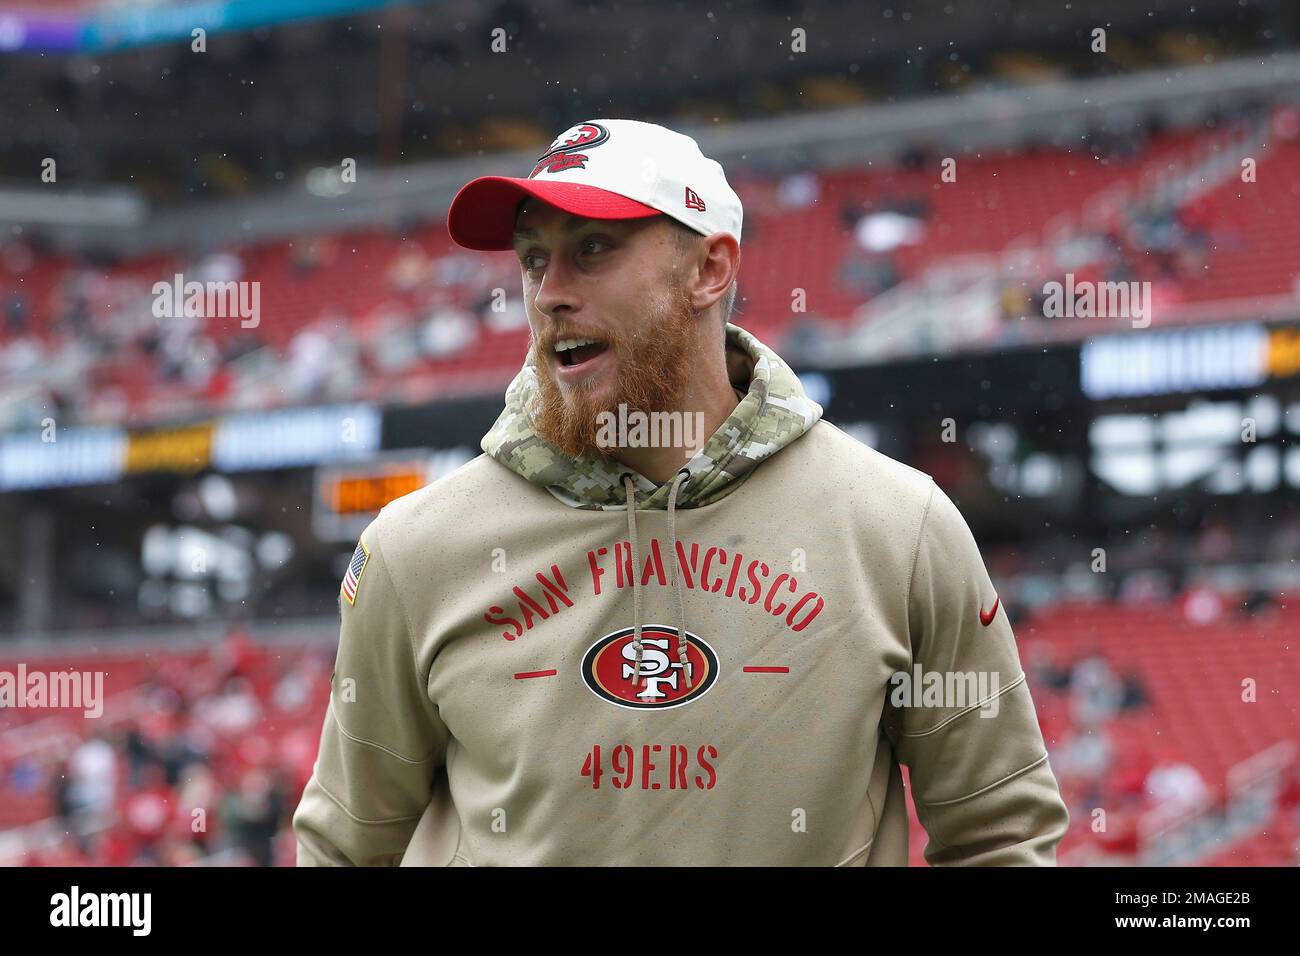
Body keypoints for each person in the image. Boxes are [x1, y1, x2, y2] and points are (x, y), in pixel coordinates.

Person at [292, 118, 1069, 866]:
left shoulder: (899, 528)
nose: (550, 293)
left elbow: (1000, 835)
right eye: (534, 260)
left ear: (710, 269)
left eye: (591, 250)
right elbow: (348, 848)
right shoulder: (414, 550)